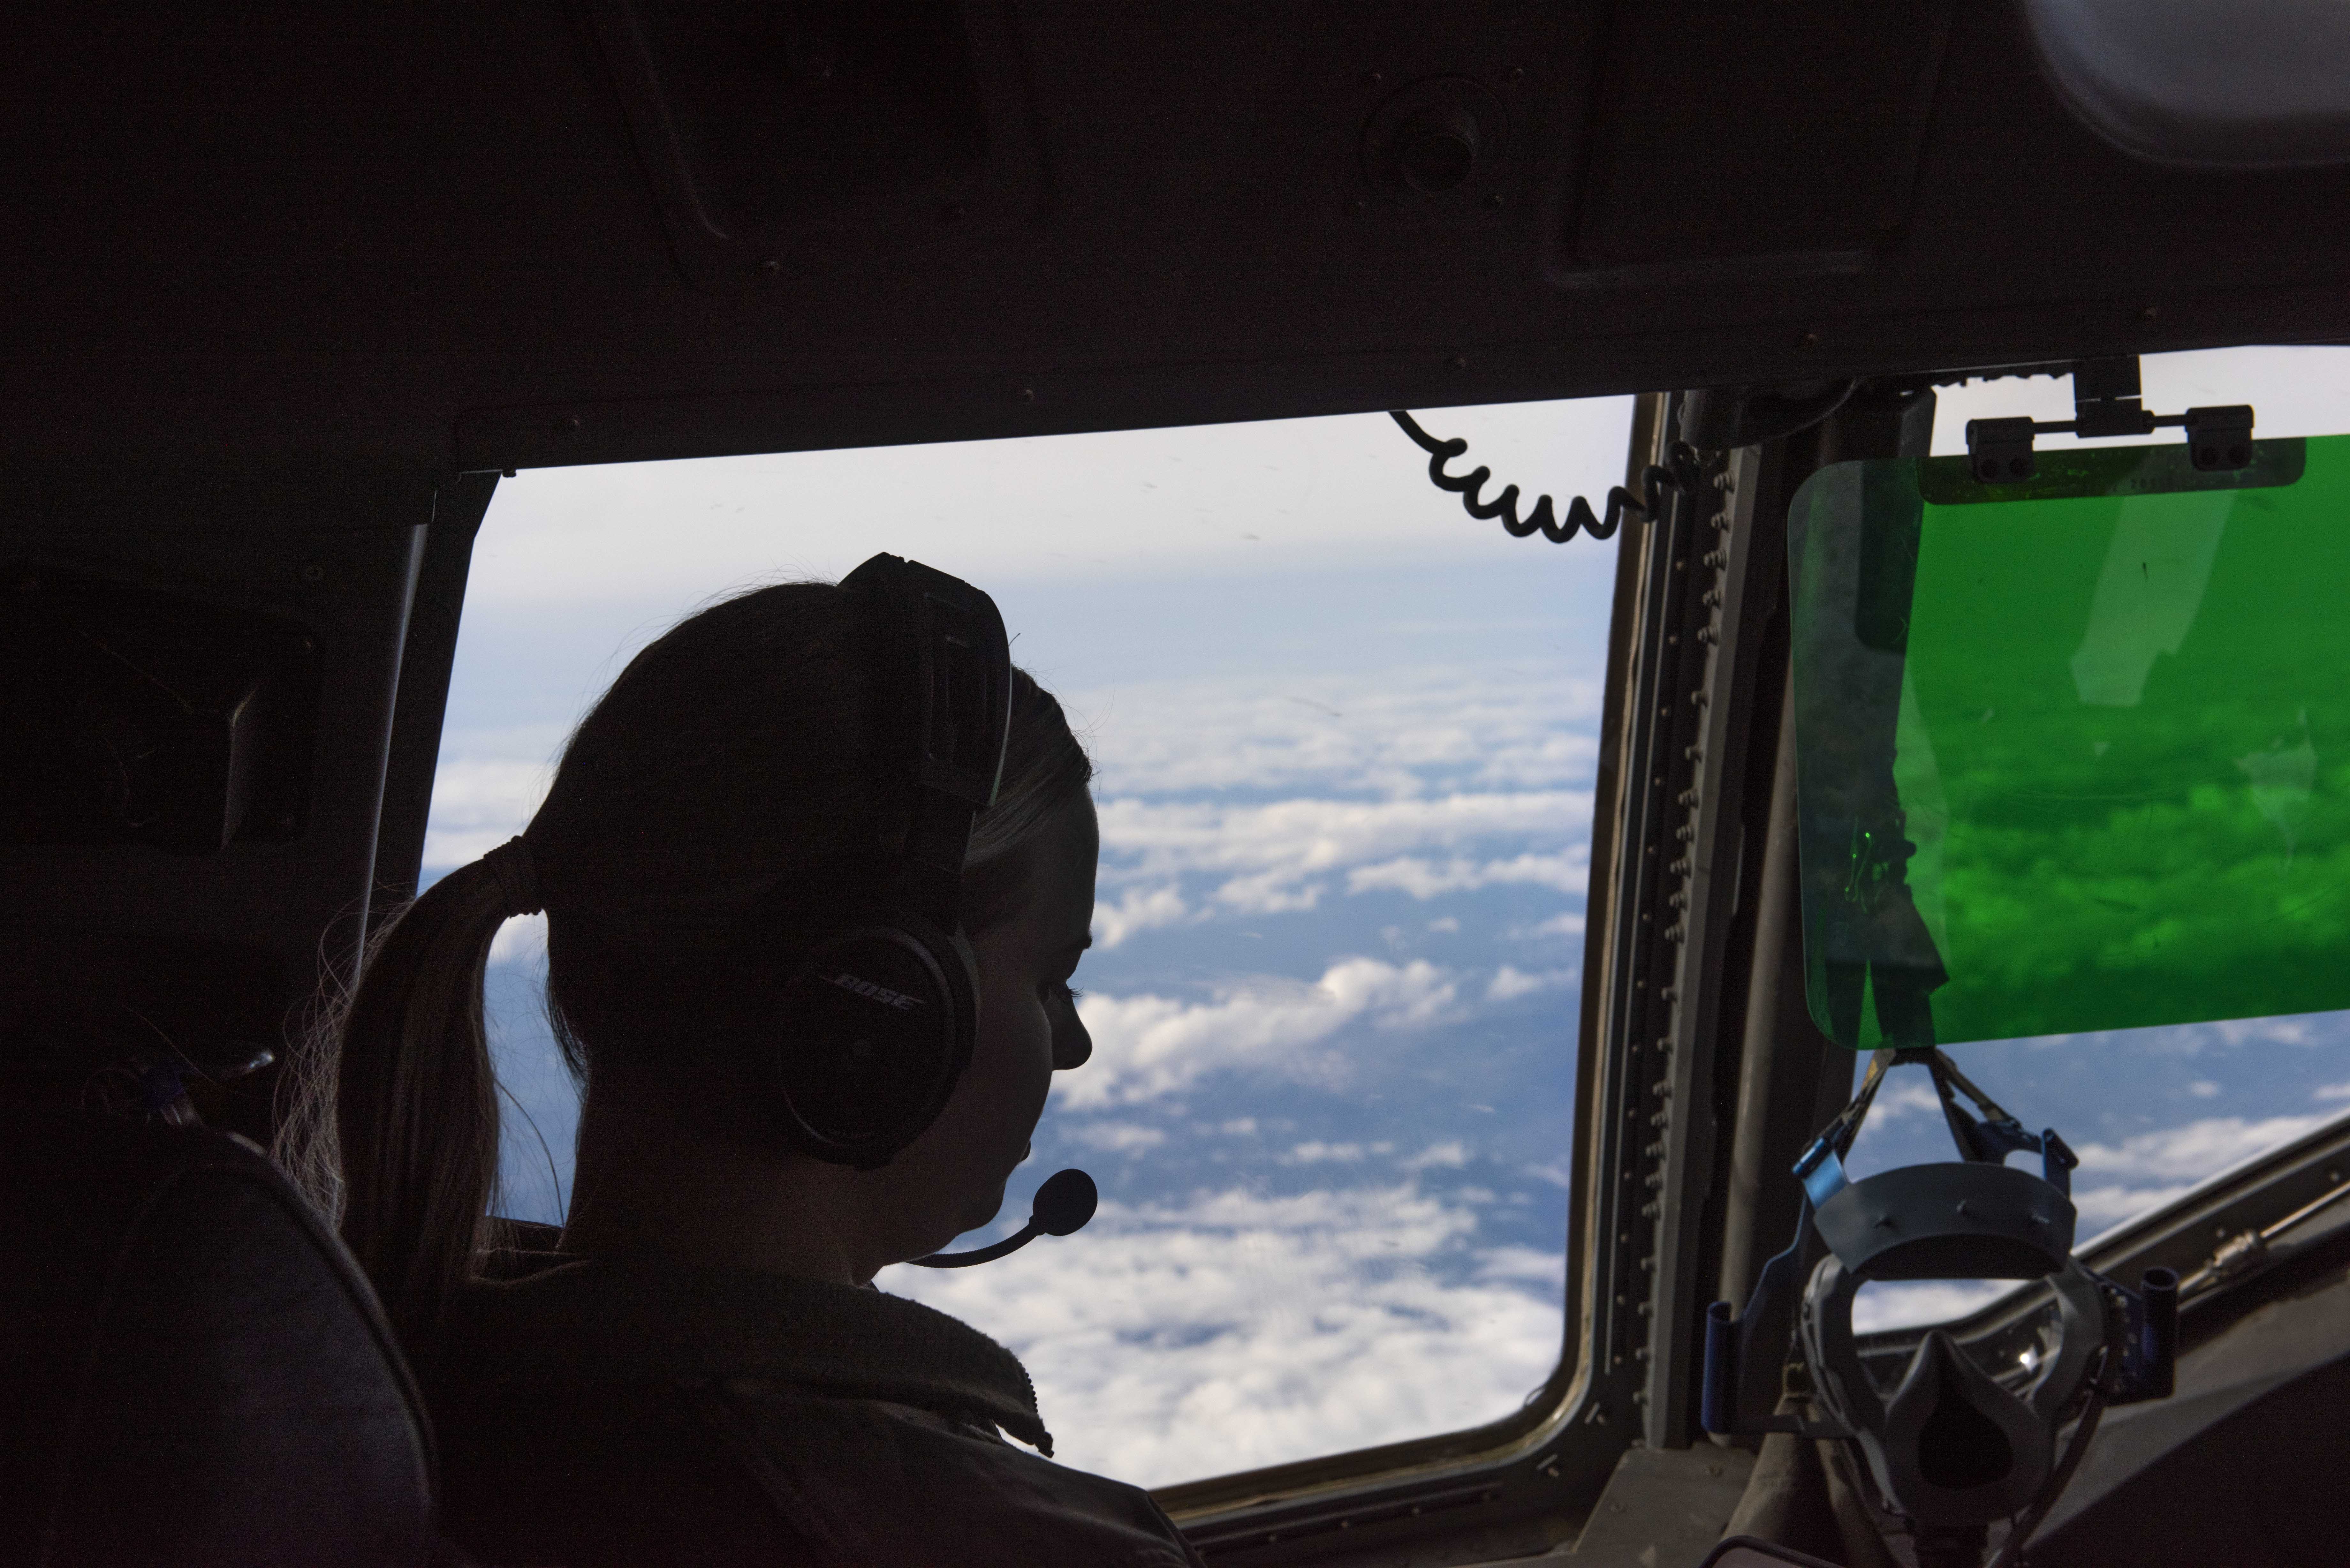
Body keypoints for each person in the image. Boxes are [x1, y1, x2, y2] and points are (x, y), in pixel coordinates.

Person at [286, 562, 1204, 1566]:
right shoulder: (1020, 1547)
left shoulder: (360, 1416)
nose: (1070, 1047)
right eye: (1050, 980)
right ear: (879, 1006)